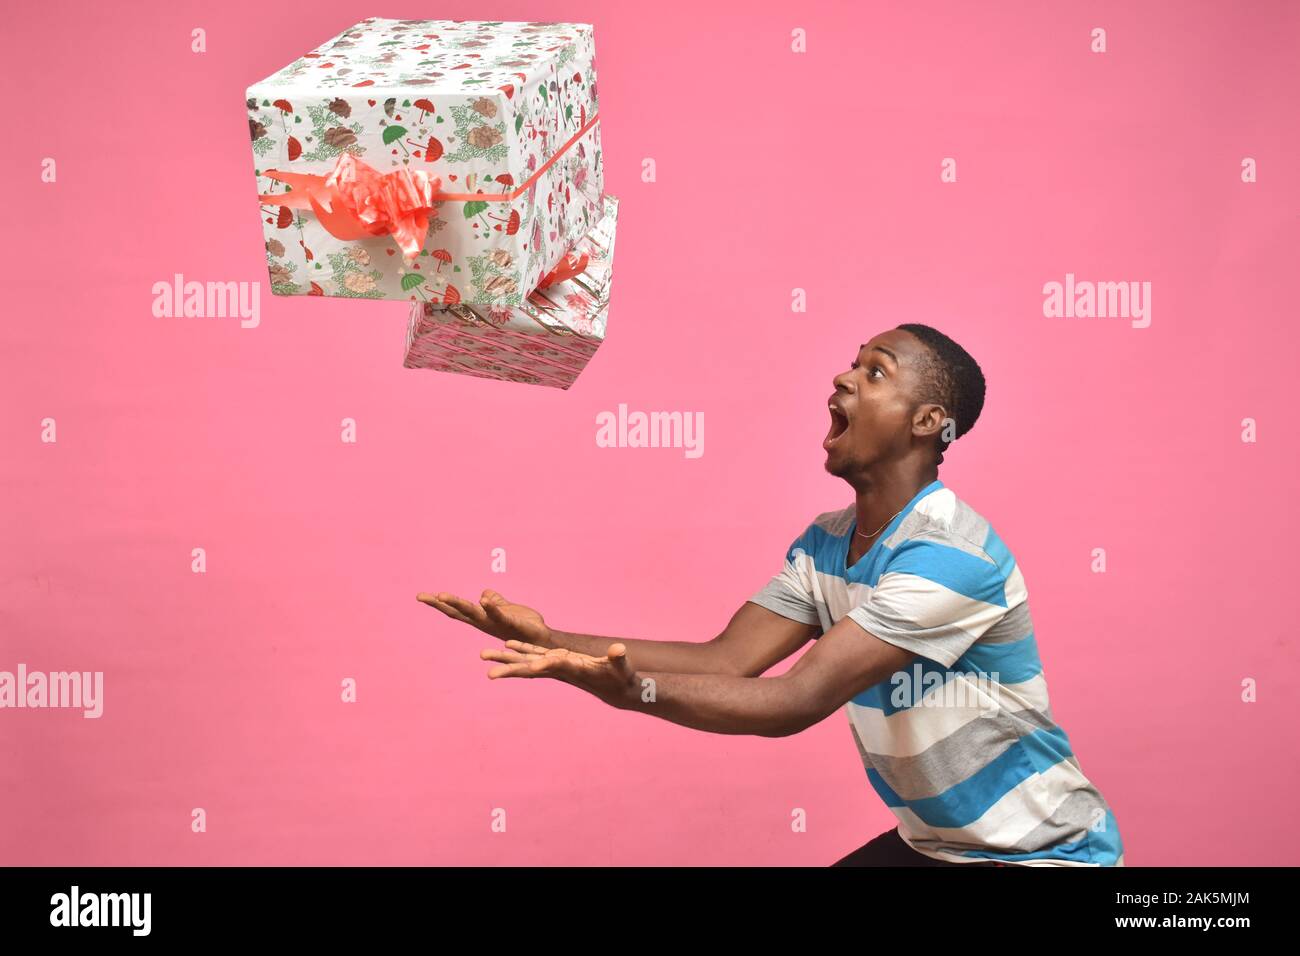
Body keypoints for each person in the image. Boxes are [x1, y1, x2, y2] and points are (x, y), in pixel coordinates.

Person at [419, 323, 1125, 866]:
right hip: (938, 847)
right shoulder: (827, 542)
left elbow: (795, 701)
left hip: (1043, 852)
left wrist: (632, 691)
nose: (842, 379)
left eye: (873, 372)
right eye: (852, 363)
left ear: (925, 421)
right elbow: (727, 660)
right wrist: (552, 641)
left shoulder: (949, 557)